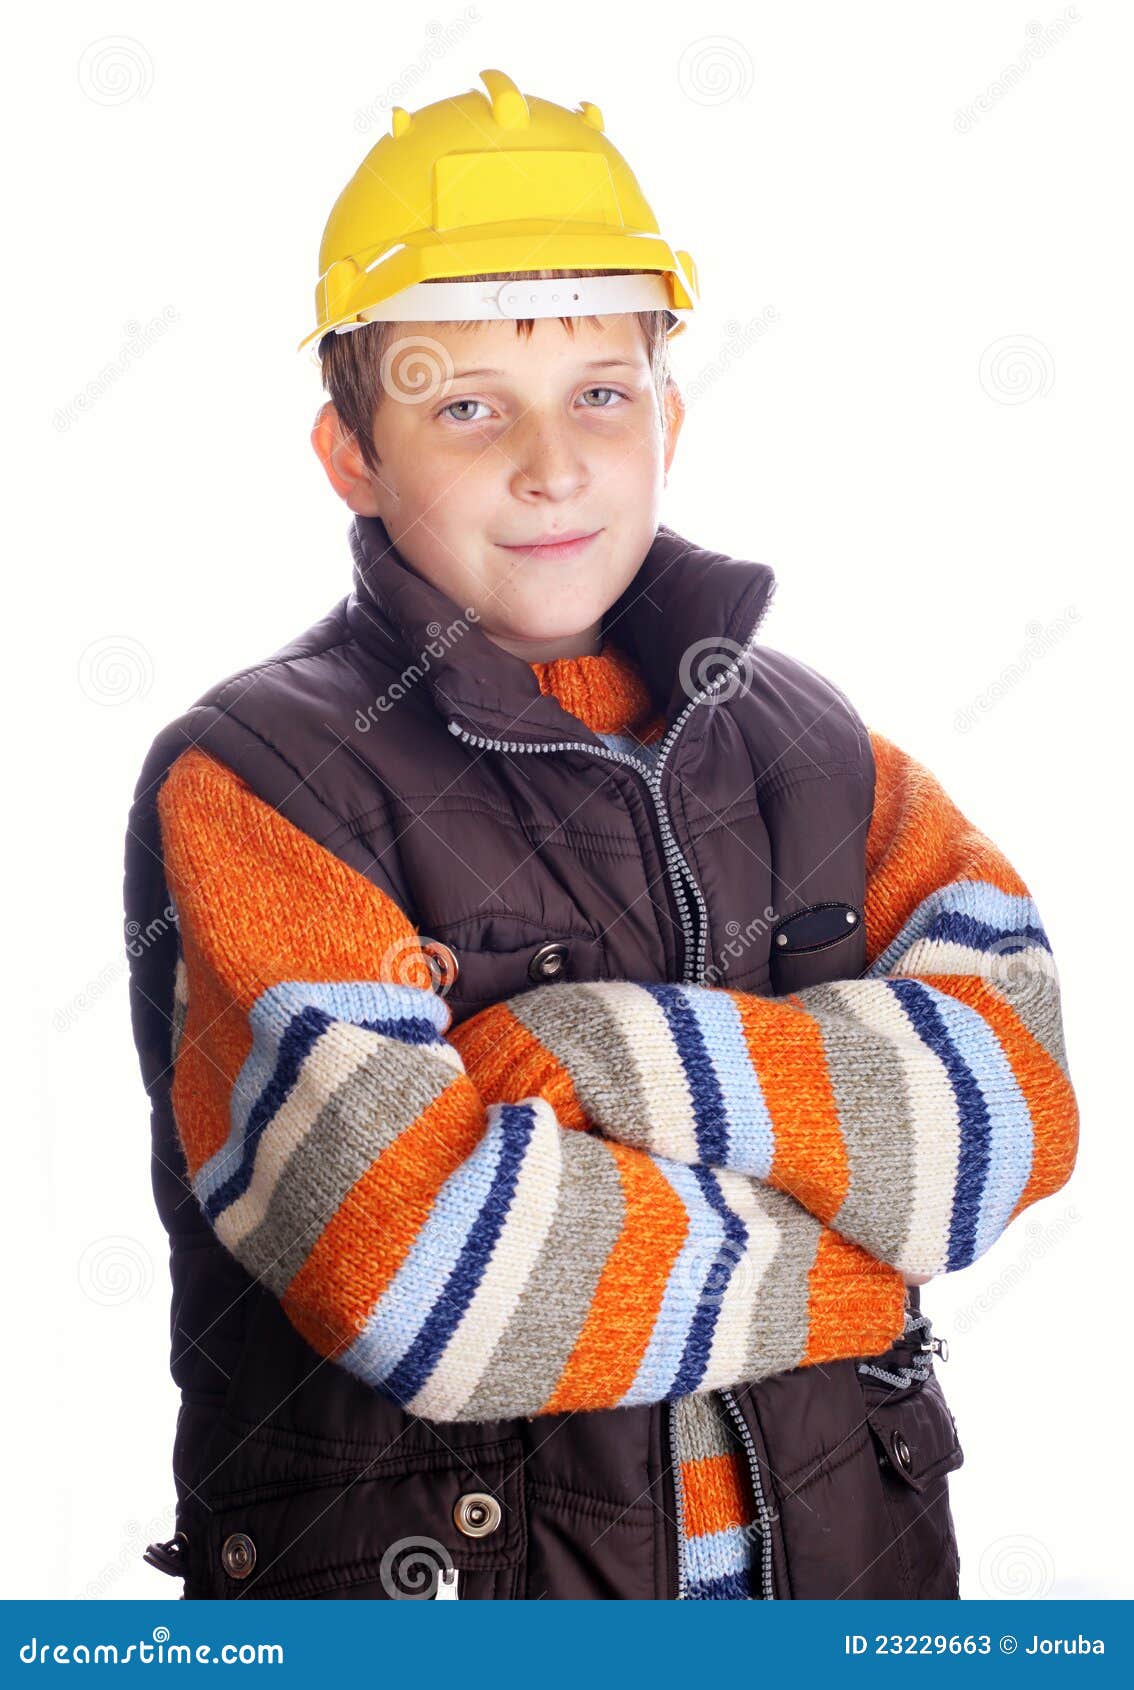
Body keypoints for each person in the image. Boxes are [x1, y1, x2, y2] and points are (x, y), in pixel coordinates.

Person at [123, 68, 1079, 1601]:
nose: (551, 463)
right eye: (464, 406)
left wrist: (605, 1052)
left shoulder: (812, 748)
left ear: (670, 415)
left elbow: (1012, 1113)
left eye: (599, 392)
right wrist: (861, 1238)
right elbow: (437, 1283)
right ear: (351, 456)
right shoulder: (267, 782)